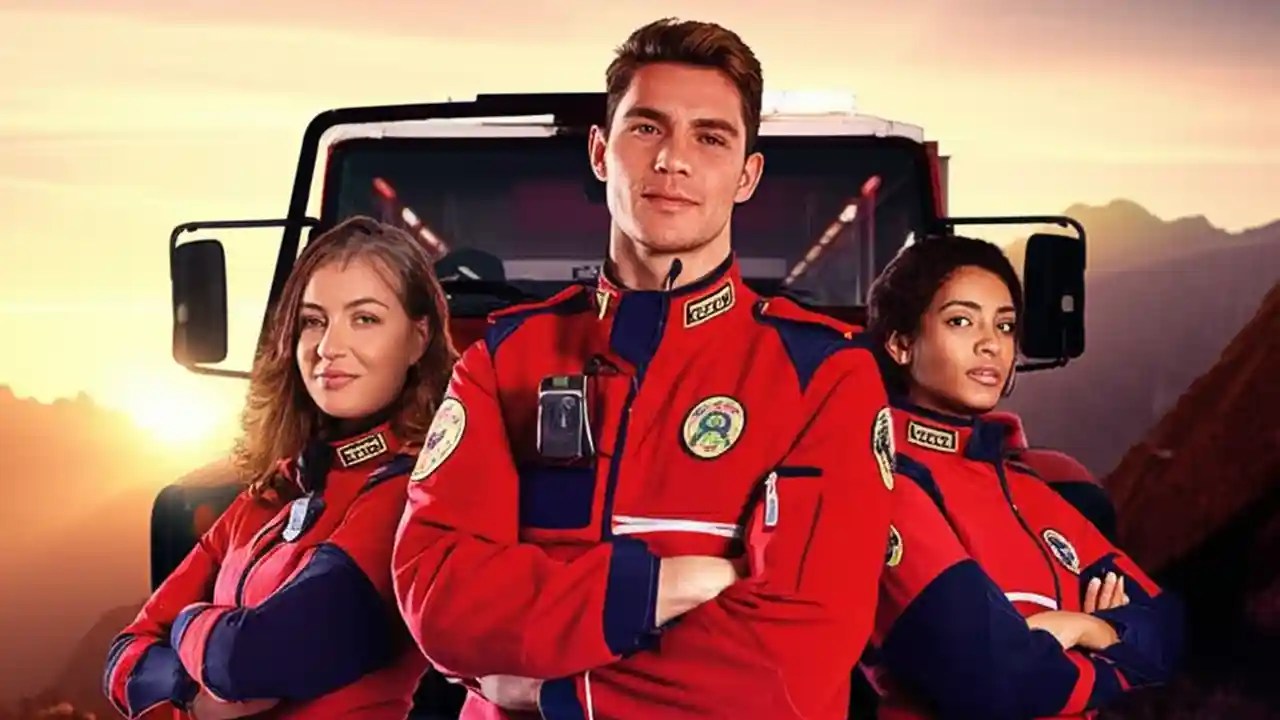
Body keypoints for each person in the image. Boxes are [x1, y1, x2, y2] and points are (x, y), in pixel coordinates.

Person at [392, 17, 895, 720]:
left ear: (747, 175)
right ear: (601, 152)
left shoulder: (826, 376)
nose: (673, 160)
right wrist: (678, 582)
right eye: (647, 128)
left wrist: (558, 693)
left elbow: (795, 654)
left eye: (710, 137)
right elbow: (440, 601)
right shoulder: (501, 361)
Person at [103, 216, 456, 719]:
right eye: (313, 320)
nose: (328, 349)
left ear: (418, 339)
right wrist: (197, 699)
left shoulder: (410, 497)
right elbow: (123, 659)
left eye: (365, 319)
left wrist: (184, 625)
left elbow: (255, 661)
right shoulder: (268, 493)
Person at [858, 234, 1185, 719]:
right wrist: (1108, 640)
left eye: (1006, 326)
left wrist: (1081, 629)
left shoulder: (1034, 489)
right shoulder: (888, 481)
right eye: (961, 321)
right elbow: (990, 682)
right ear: (901, 343)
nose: (991, 344)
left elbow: (1168, 632)